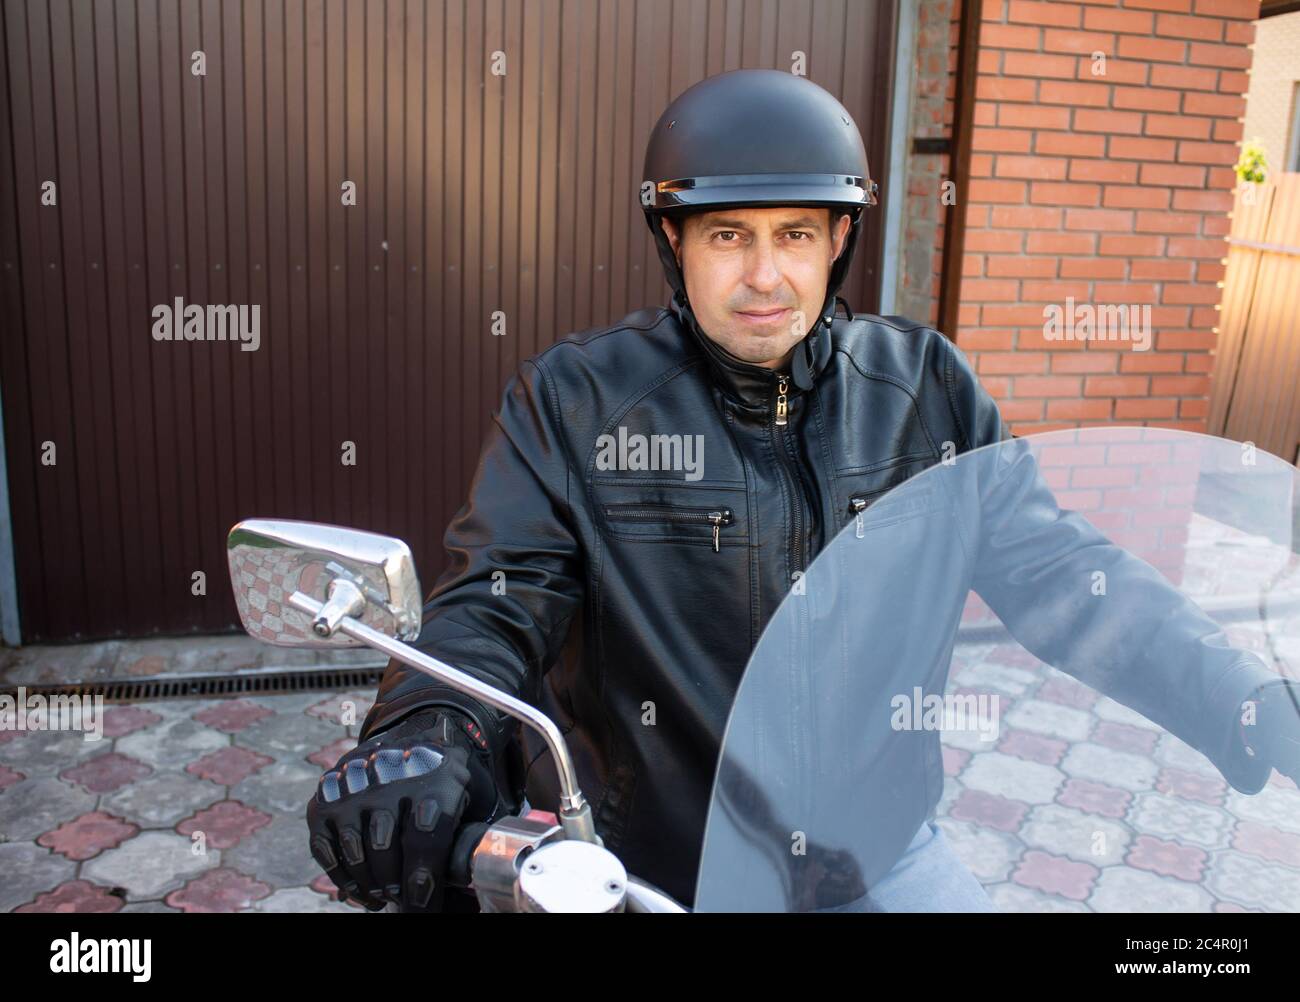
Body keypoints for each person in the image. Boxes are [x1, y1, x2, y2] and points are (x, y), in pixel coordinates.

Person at [305, 69, 1300, 913]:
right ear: (674, 243)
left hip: (880, 854)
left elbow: (1062, 570)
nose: (763, 275)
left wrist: (1240, 695)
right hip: (662, 871)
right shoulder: (575, 401)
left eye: (795, 233)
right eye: (727, 235)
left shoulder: (926, 393)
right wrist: (431, 730)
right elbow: (499, 596)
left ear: (838, 241)